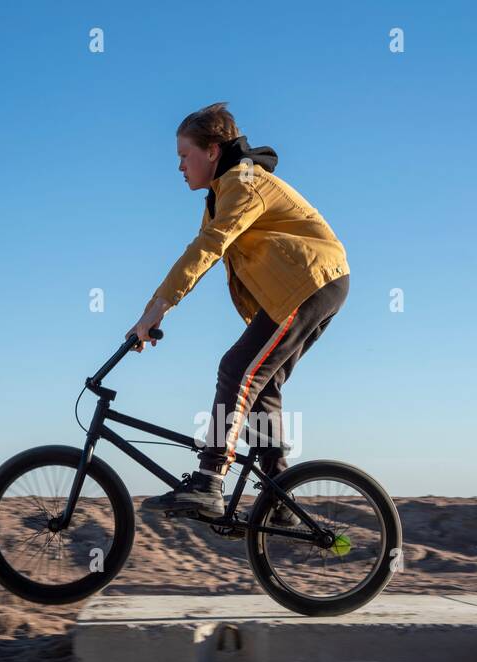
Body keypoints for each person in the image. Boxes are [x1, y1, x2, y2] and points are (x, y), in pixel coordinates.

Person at [129, 102, 351, 522]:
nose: (179, 166)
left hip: (310, 282)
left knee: (236, 369)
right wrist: (158, 310)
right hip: (309, 285)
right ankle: (280, 498)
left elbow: (209, 248)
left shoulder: (243, 182)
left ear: (212, 151)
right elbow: (202, 249)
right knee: (260, 384)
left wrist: (157, 308)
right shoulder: (221, 193)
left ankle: (210, 480)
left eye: (183, 155)